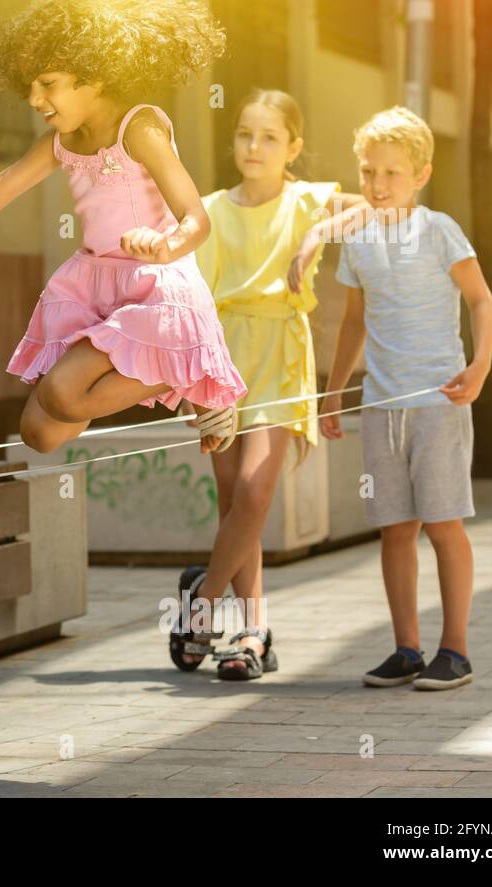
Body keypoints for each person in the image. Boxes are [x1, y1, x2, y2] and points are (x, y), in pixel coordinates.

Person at [0, 0, 245, 462]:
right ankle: (183, 376)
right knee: (39, 433)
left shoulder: (140, 128)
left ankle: (191, 375)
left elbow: (196, 218)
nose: (34, 99)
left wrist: (165, 245)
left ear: (96, 76)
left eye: (48, 84)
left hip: (155, 285)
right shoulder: (59, 143)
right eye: (29, 87)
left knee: (63, 394)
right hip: (95, 284)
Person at [301, 106, 492, 690]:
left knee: (443, 526)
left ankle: (454, 651)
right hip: (382, 408)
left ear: (420, 175)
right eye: (368, 172)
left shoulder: (441, 232)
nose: (377, 185)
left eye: (391, 173)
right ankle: (406, 647)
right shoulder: (358, 238)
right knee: (394, 529)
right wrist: (332, 393)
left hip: (439, 403)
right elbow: (353, 322)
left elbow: (481, 301)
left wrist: (481, 365)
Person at [176, 89, 364, 680]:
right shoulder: (207, 210)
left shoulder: (307, 200)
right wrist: (187, 385)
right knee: (235, 505)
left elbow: (381, 206)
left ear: (293, 147)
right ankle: (251, 632)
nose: (254, 147)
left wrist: (316, 236)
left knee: (256, 495)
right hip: (220, 359)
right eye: (243, 134)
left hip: (281, 352)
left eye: (269, 137)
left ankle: (201, 604)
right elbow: (189, 303)